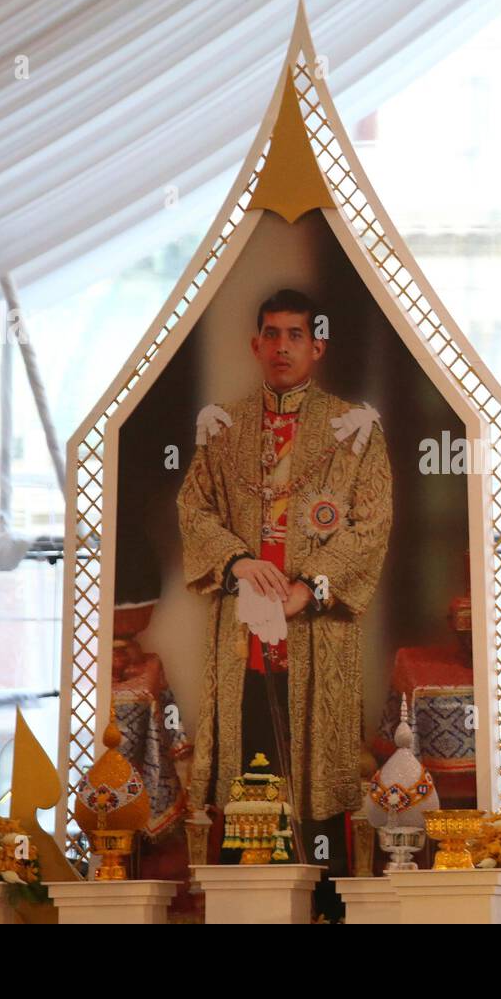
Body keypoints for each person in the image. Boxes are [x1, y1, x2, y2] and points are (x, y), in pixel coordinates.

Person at [178, 288, 393, 905]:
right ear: (255, 344)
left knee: (317, 783)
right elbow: (194, 509)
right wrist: (240, 562)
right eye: (271, 334)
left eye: (295, 335)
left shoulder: (354, 429)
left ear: (317, 346)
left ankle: (321, 910)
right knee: (250, 778)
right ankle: (243, 910)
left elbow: (371, 523)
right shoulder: (223, 427)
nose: (282, 347)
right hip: (242, 638)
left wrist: (310, 588)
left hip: (316, 635)